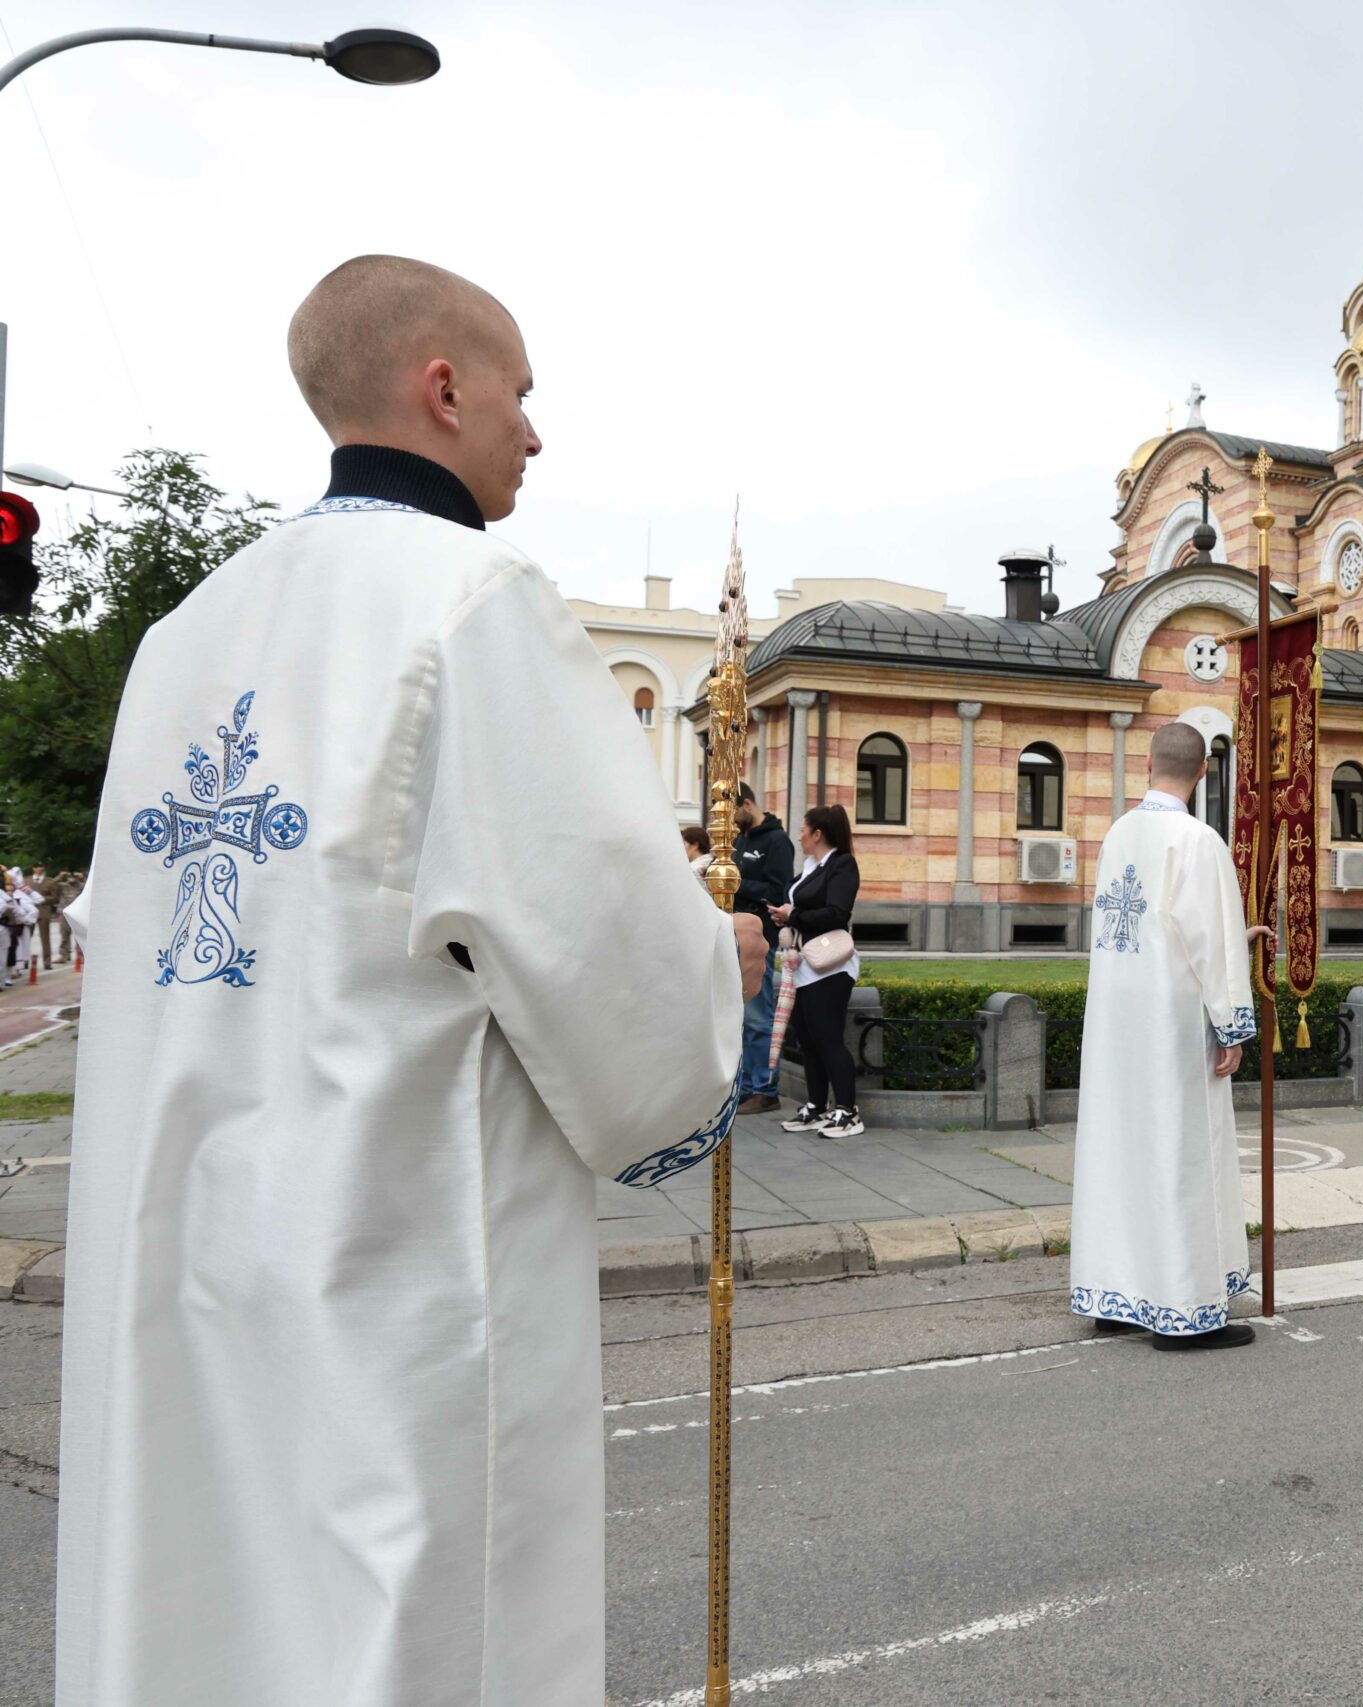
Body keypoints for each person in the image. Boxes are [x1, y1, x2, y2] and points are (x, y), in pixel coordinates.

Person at [52, 255, 743, 1707]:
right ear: (443, 385)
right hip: (394, 1285)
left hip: (184, 1264)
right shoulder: (475, 602)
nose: (535, 436)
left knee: (203, 1611)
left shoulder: (183, 639)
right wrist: (714, 969)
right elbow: (606, 953)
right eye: (522, 396)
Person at [1070, 722, 1260, 1350]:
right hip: (1171, 1026)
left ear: (1148, 764)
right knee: (1180, 1153)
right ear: (1203, 771)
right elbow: (1209, 938)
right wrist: (1232, 1023)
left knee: (1122, 1152)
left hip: (1116, 1022)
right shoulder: (1197, 840)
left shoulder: (1118, 834)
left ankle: (1117, 1296)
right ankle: (1182, 1310)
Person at [772, 802, 864, 1139]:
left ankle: (848, 1112)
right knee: (808, 1039)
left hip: (830, 966)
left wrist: (792, 915)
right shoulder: (811, 867)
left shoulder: (842, 865)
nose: (799, 836)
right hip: (802, 964)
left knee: (827, 1038)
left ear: (818, 834)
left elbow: (838, 913)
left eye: (803, 830)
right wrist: (784, 914)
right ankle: (815, 1106)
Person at [730, 783, 797, 1115]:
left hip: (762, 937)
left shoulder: (776, 841)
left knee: (758, 1016)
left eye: (732, 812)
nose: (729, 820)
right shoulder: (741, 839)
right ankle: (743, 1086)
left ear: (747, 804)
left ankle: (765, 1088)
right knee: (740, 1016)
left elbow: (778, 889)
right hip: (735, 935)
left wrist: (735, 881)